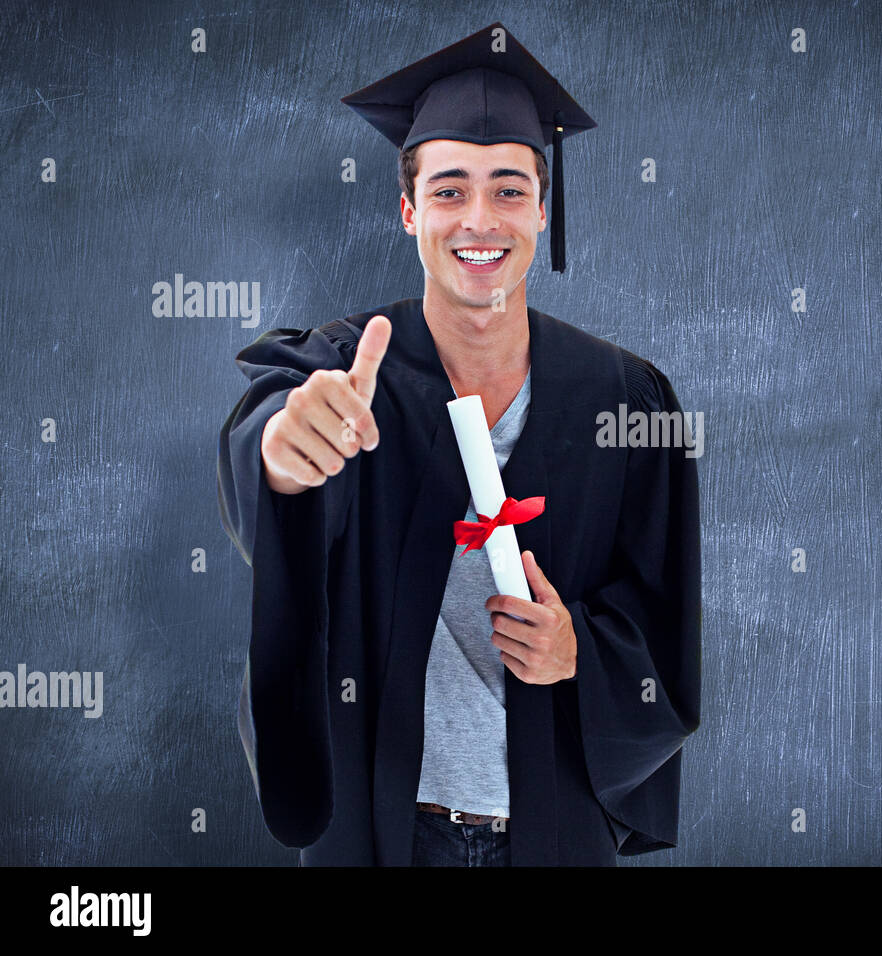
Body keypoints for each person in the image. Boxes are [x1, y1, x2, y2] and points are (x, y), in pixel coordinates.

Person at [217, 21, 701, 866]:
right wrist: (284, 452)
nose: (480, 218)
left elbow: (664, 623)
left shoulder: (622, 399)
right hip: (385, 833)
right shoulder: (343, 368)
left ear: (543, 211)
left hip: (552, 835)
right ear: (409, 212)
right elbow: (267, 435)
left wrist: (581, 651)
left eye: (509, 189)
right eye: (449, 190)